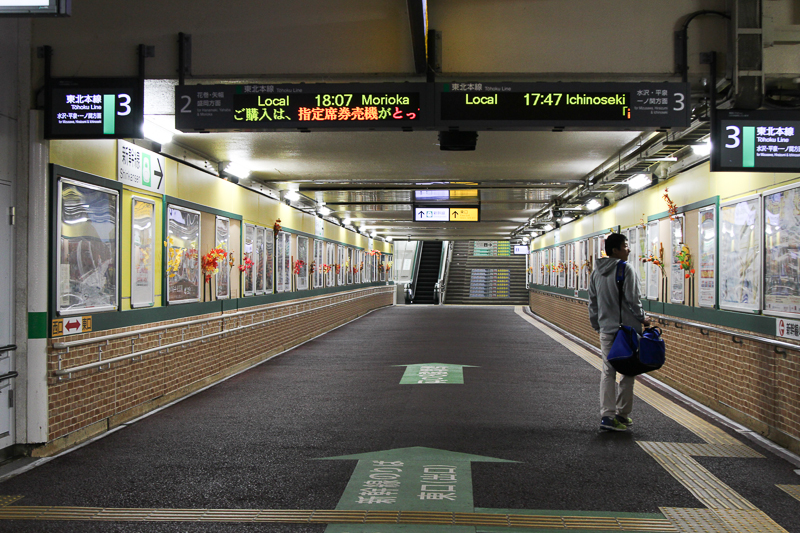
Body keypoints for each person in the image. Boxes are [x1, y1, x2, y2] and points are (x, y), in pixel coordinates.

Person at [588, 233, 650, 432]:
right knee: (628, 371)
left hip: (606, 330)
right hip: (627, 331)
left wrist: (598, 325)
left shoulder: (596, 272)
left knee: (608, 371)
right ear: (615, 250)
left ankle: (607, 416)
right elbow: (633, 300)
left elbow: (593, 303)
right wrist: (643, 318)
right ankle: (622, 414)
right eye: (625, 246)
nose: (628, 249)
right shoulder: (626, 269)